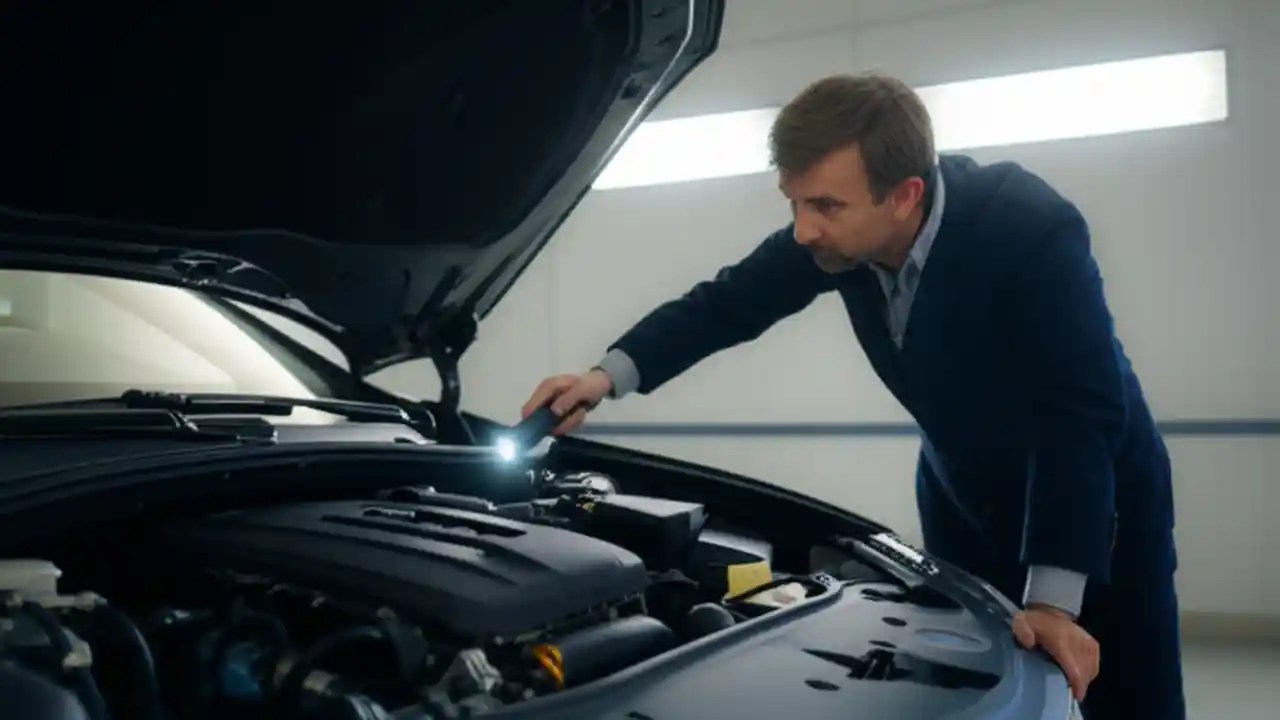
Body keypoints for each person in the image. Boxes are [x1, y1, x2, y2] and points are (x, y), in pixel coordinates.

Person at [522, 73, 1183, 719]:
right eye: (795, 203)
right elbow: (729, 302)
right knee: (978, 691)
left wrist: (1056, 602)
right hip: (963, 500)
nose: (804, 230)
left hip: (1095, 504)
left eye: (825, 207)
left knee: (1124, 691)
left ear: (904, 196)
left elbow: (1076, 413)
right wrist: (603, 378)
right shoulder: (834, 242)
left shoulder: (1029, 228)